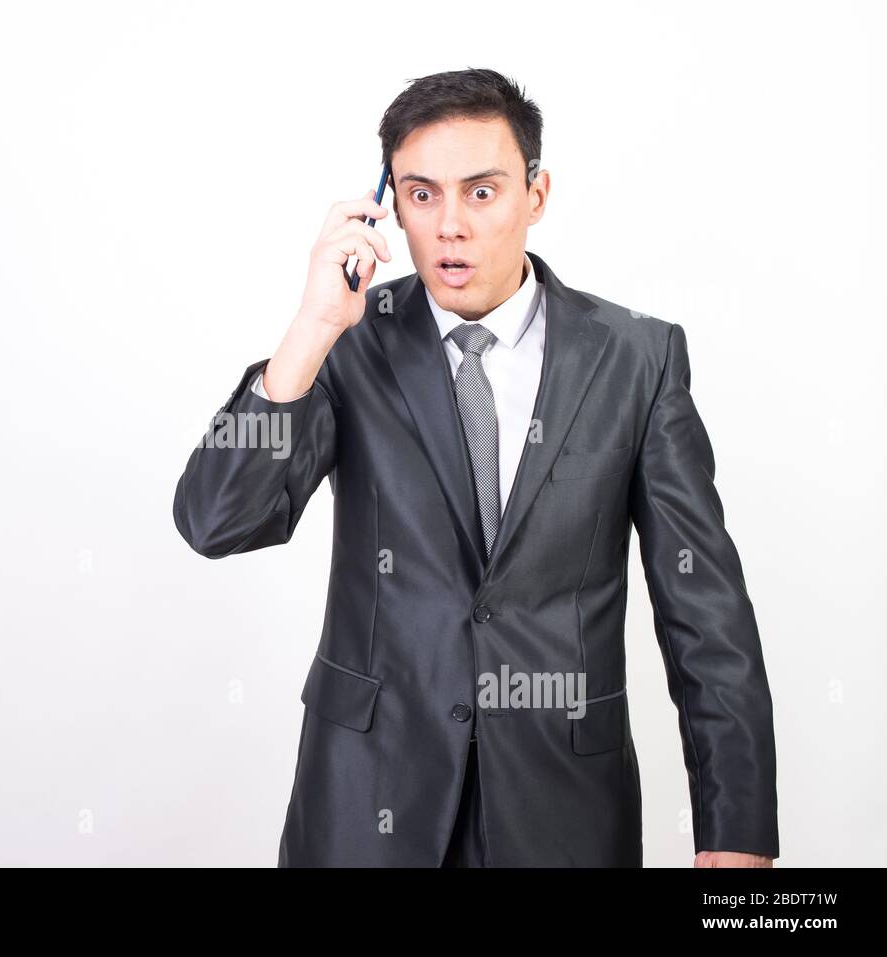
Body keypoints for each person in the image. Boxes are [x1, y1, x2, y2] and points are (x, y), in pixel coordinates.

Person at [173, 68, 778, 867]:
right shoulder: (345, 346)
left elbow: (706, 615)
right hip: (367, 804)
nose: (449, 226)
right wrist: (309, 329)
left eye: (481, 193)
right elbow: (217, 520)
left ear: (537, 193)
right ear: (388, 203)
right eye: (421, 195)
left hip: (561, 812)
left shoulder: (638, 358)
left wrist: (736, 835)